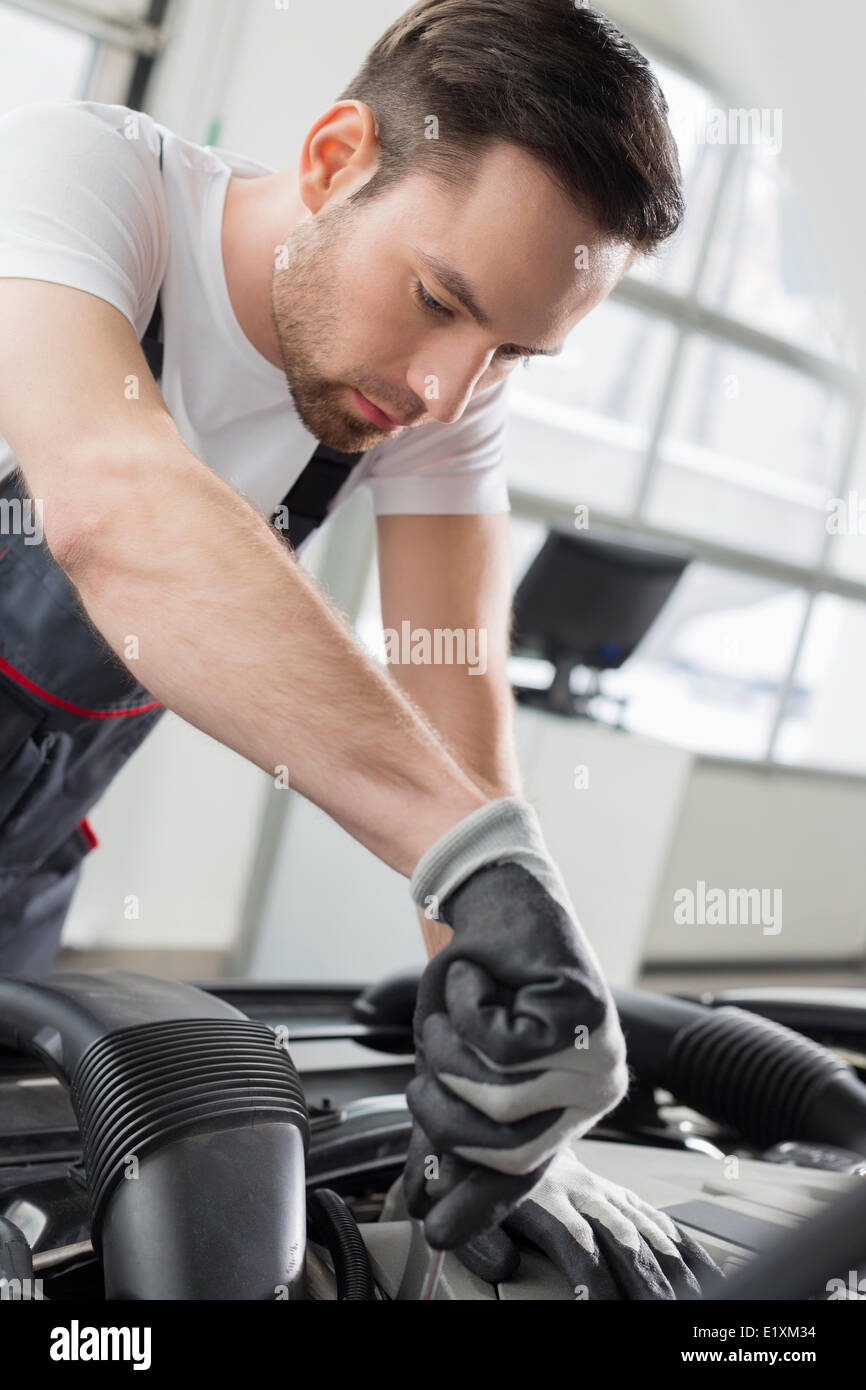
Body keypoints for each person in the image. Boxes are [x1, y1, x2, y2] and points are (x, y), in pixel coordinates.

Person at [0, 0, 719, 1287]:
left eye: (511, 351)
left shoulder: (433, 396)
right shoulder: (83, 185)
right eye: (440, 300)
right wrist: (479, 865)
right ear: (336, 157)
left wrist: (502, 1055)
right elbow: (116, 511)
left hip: (21, 855)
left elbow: (459, 717)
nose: (450, 389)